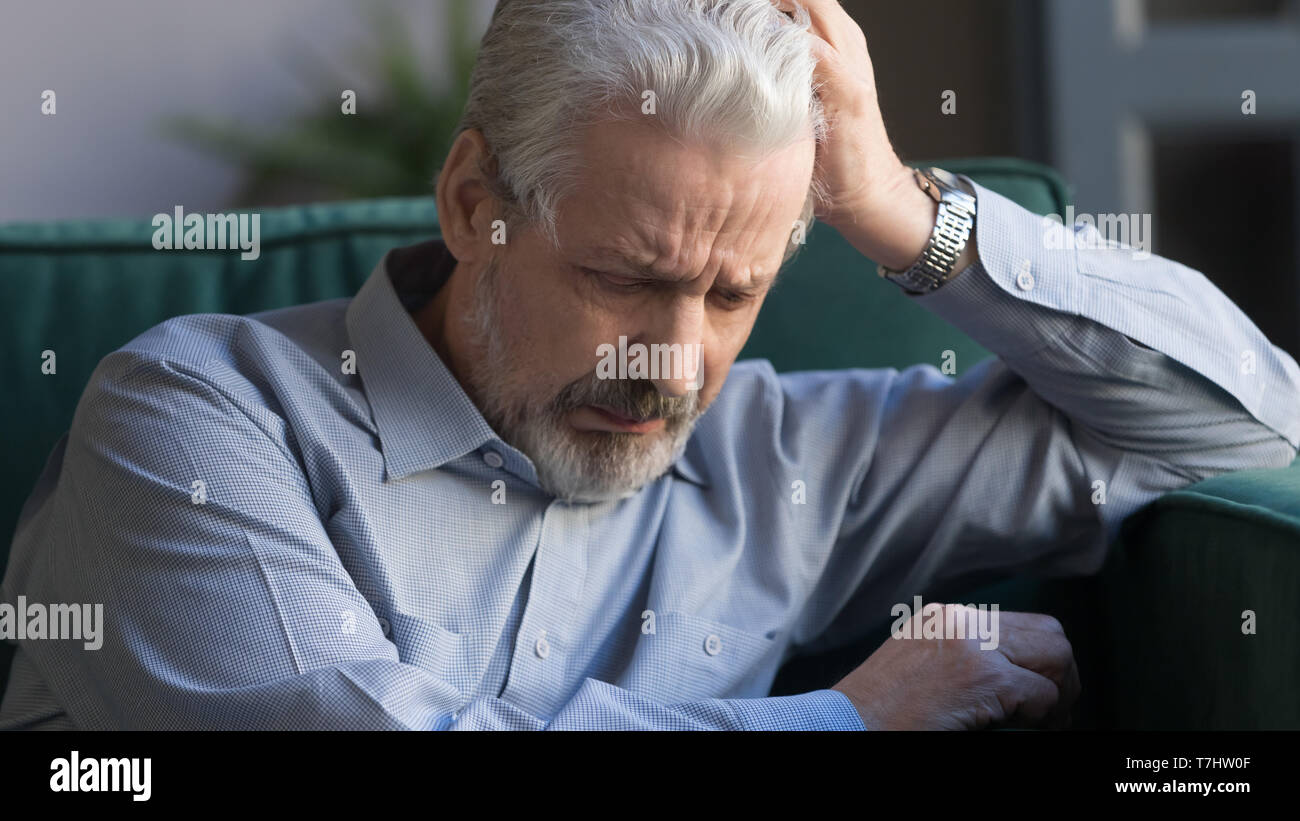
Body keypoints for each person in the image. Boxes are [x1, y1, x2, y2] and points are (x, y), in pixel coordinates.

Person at [2, 0, 1297, 730]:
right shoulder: (190, 422)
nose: (675, 362)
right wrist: (844, 721)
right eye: (624, 275)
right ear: (473, 204)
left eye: (735, 292)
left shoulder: (782, 463)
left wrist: (907, 212)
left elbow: (1237, 428)